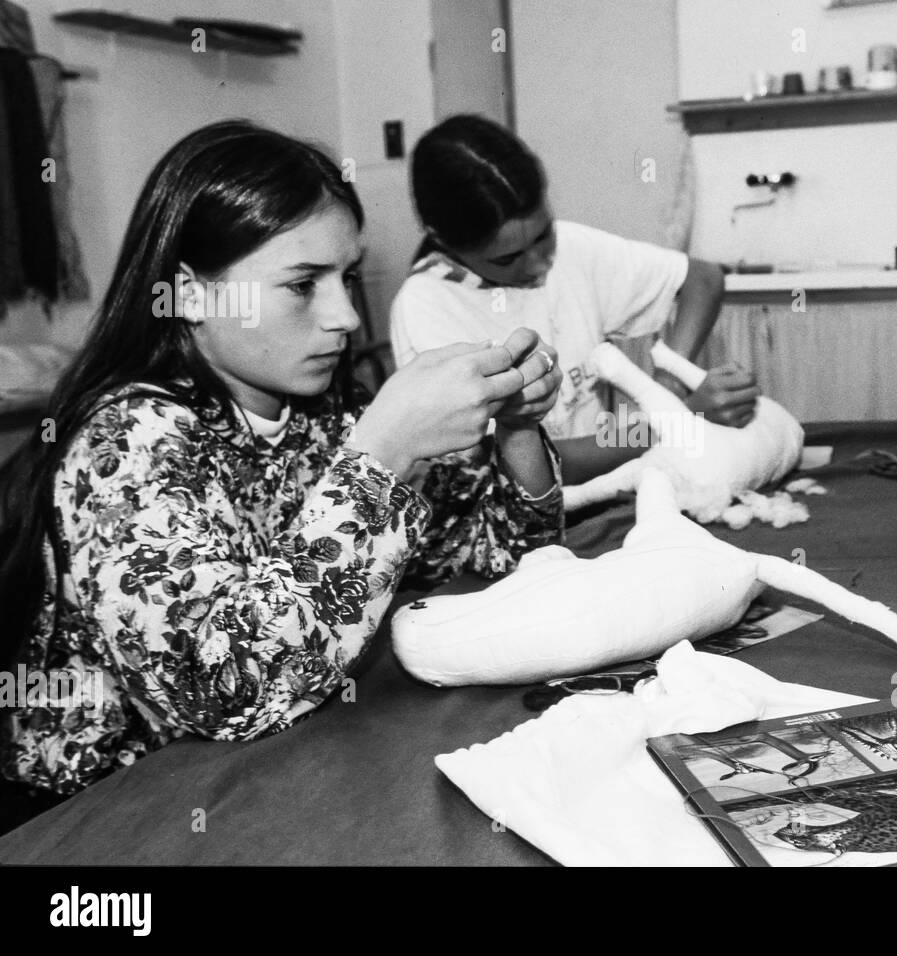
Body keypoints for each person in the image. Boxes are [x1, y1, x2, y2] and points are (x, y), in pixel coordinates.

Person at [0, 121, 563, 825]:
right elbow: (224, 690)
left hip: (261, 768)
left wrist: (515, 429)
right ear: (192, 295)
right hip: (103, 813)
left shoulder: (319, 413)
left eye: (348, 277)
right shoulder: (124, 443)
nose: (345, 315)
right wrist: (380, 456)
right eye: (303, 285)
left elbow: (498, 555)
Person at [389, 114, 761, 484]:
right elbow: (527, 468)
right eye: (507, 259)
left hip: (614, 483)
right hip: (526, 523)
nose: (540, 262)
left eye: (543, 234)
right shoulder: (426, 308)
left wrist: (667, 388)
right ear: (443, 240)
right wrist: (675, 422)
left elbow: (703, 279)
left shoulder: (571, 249)